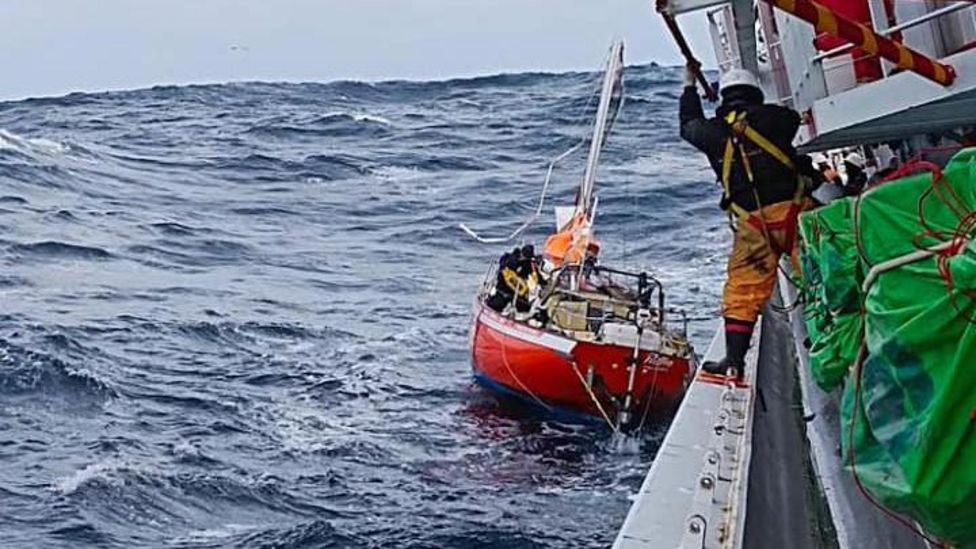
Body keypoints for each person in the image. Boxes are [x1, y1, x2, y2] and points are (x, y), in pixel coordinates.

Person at [679, 65, 820, 377]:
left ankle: (734, 361)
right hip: (797, 214)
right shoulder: (779, 120)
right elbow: (792, 120)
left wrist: (690, 86)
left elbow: (688, 125)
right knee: (821, 276)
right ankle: (829, 339)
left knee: (743, 291)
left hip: (753, 226)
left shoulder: (713, 134)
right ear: (755, 93)